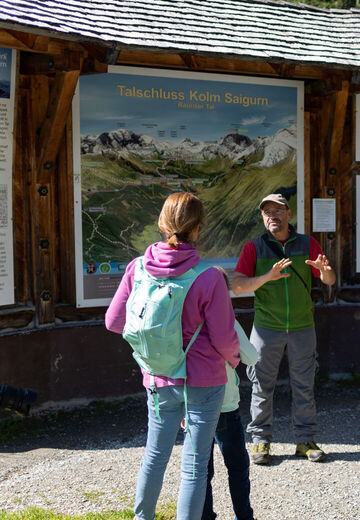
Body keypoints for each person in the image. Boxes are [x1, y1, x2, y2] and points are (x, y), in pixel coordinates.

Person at [105, 192, 240, 520]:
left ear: (162, 224)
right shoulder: (209, 277)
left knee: (154, 456)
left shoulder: (137, 269)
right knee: (194, 468)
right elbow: (225, 338)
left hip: (158, 375)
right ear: (198, 229)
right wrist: (235, 360)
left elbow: (113, 321)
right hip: (204, 380)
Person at [231, 193, 336, 464]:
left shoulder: (307, 244)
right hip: (266, 328)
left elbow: (329, 279)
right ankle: (261, 442)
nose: (272, 216)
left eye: (277, 211)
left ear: (288, 213)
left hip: (302, 326)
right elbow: (239, 286)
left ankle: (305, 441)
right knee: (261, 385)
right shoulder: (254, 247)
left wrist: (324, 271)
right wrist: (268, 277)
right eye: (266, 212)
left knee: (304, 385)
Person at [202, 267, 257, 520]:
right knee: (237, 466)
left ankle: (203, 516)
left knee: (201, 470)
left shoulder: (187, 319)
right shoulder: (227, 320)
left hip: (194, 403)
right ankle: (244, 517)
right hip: (225, 404)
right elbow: (251, 356)